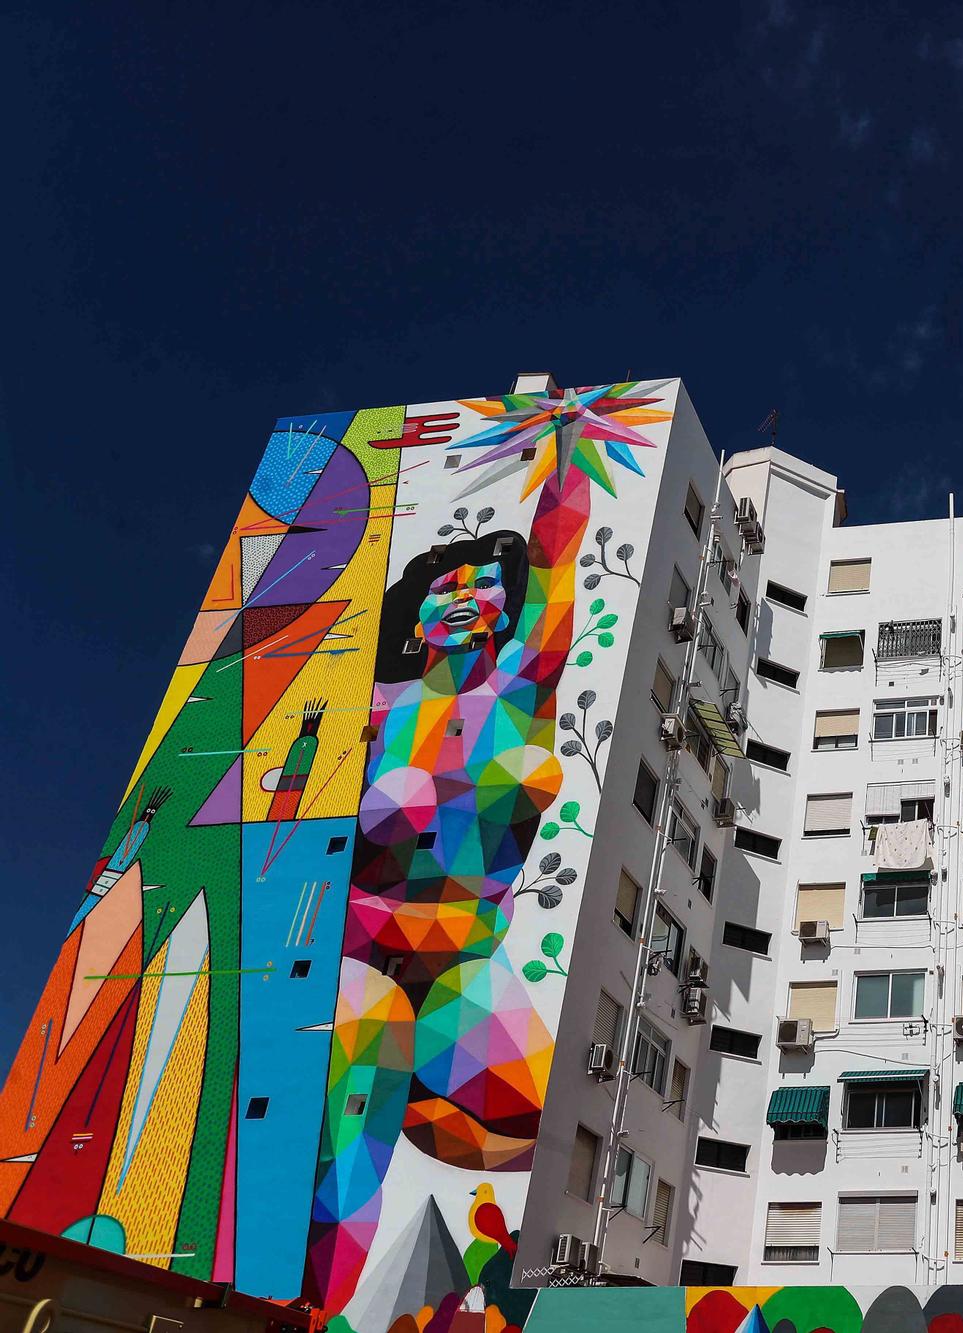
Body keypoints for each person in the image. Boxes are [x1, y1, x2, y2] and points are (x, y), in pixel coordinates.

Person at [306, 487, 578, 1312]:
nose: (461, 597)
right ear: (412, 615)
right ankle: (306, 1304)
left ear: (507, 606)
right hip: (364, 963)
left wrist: (567, 446)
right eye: (441, 588)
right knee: (366, 1036)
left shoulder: (518, 697)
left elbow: (557, 561)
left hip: (464, 973)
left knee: (569, 1135)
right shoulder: (372, 711)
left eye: (479, 585)